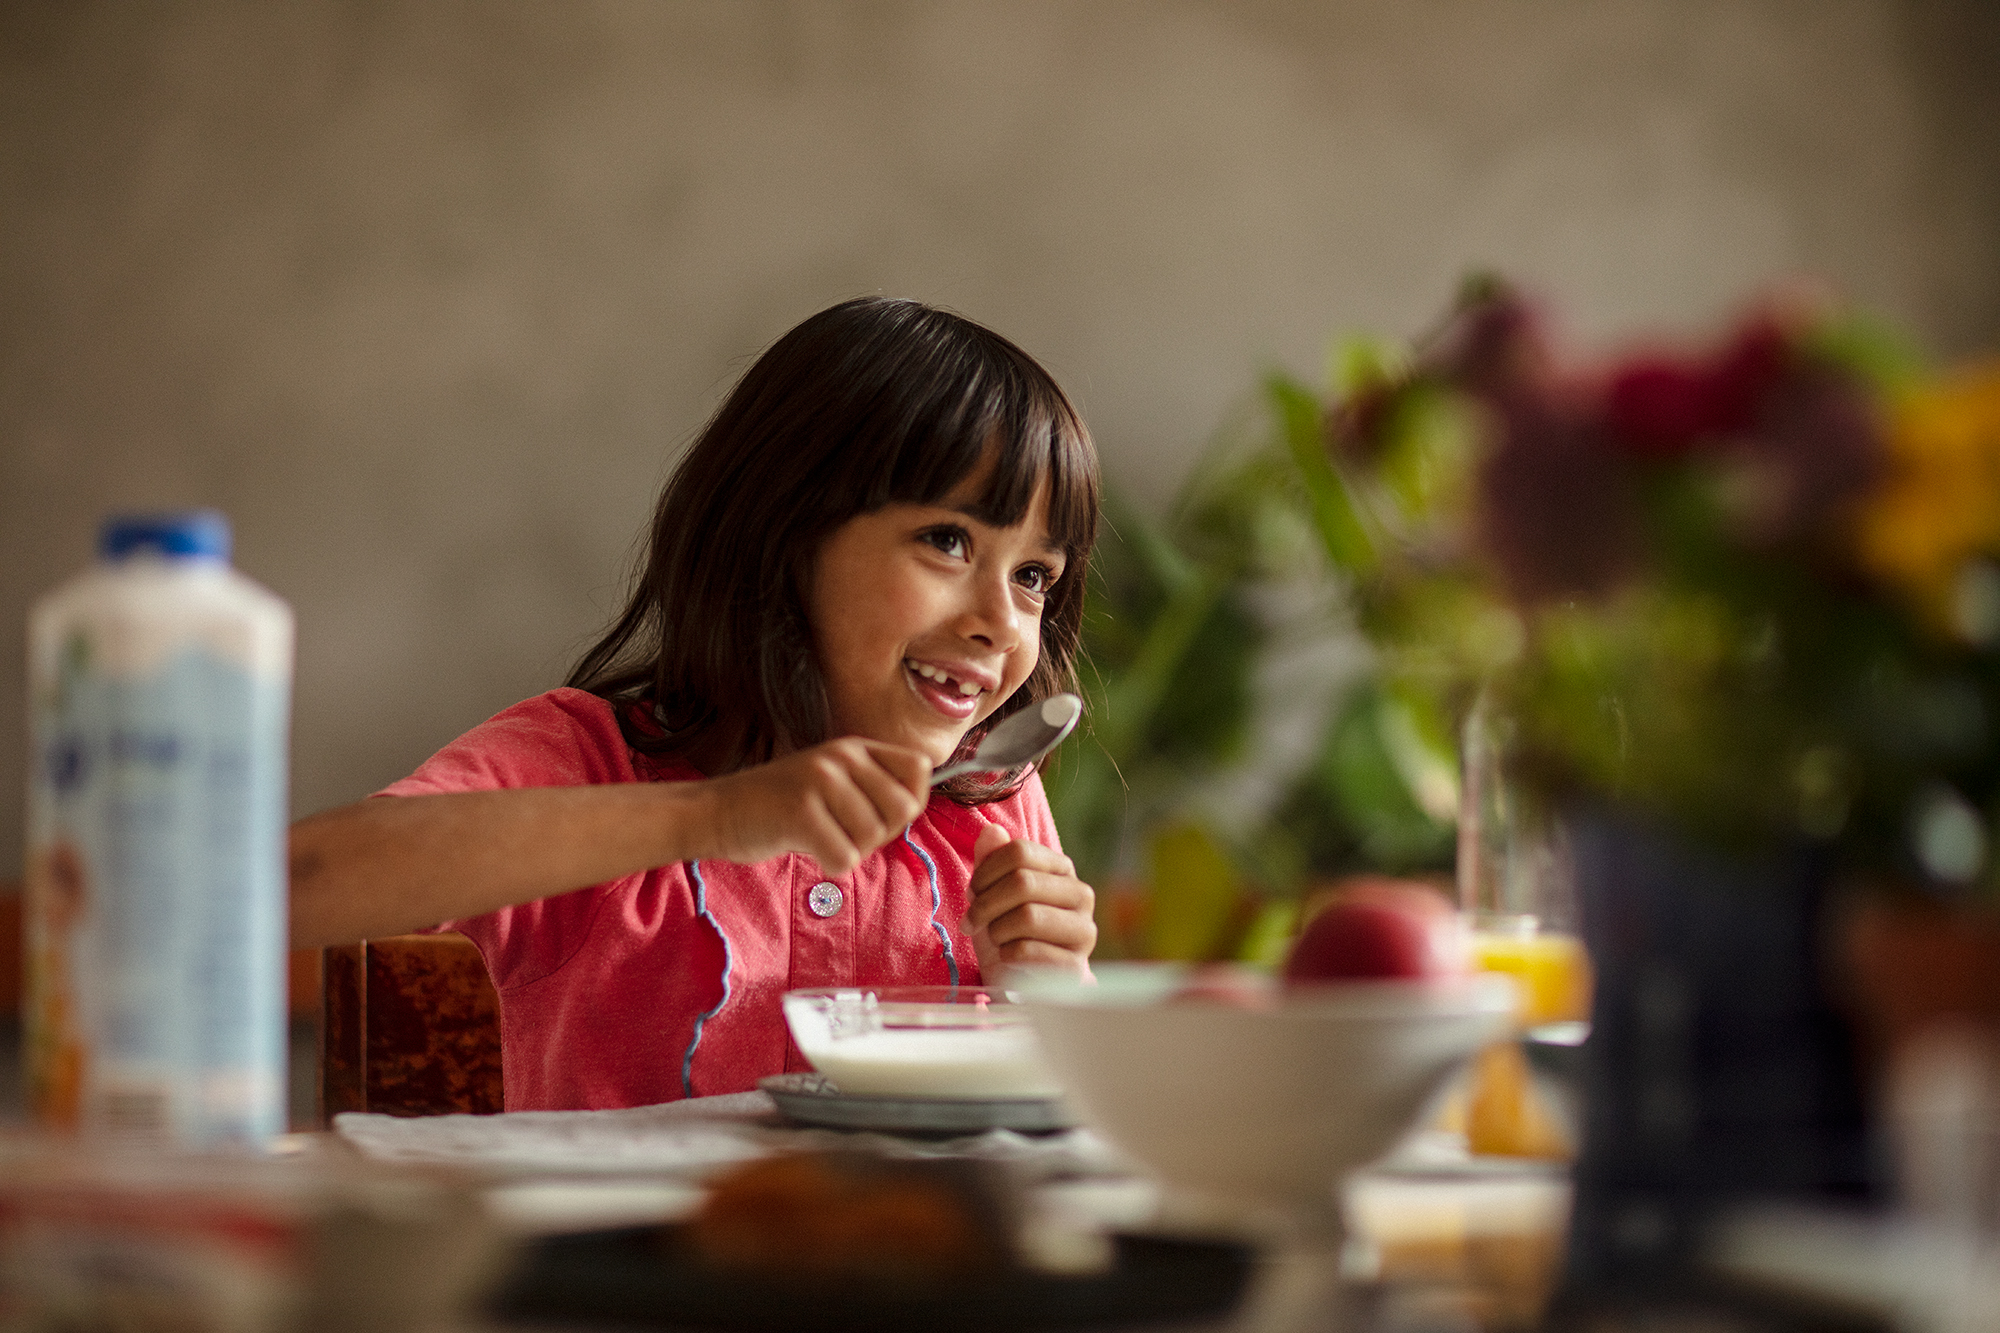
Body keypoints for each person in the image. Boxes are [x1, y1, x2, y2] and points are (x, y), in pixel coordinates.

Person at [289, 297, 1101, 1111]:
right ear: (783, 533)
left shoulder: (990, 802)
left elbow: (1063, 1123)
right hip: (619, 1240)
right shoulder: (586, 766)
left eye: (1034, 576)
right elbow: (295, 884)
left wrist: (1048, 993)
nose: (1001, 622)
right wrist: (710, 817)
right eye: (948, 540)